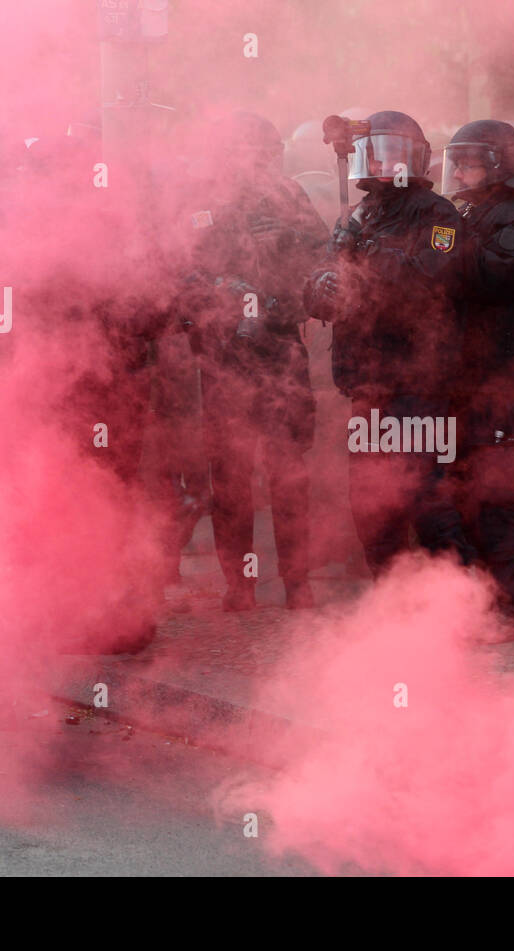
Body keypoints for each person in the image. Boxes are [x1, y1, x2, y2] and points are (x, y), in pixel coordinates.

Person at [304, 110, 472, 578]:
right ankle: (392, 605)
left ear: (417, 158)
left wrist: (371, 259)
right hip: (367, 385)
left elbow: (432, 275)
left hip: (418, 383)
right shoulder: (359, 213)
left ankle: (457, 602)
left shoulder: (439, 213)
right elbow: (326, 276)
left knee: (425, 496)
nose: (384, 166)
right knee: (372, 503)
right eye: (375, 155)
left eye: (395, 155)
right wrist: (322, 287)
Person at [186, 112, 325, 611]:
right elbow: (182, 273)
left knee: (290, 474)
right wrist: (223, 286)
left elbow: (325, 260)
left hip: (282, 346)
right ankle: (239, 588)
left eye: (266, 156)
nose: (259, 166)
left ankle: (298, 583)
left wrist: (287, 236)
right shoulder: (200, 201)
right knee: (230, 478)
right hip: (225, 356)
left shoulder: (290, 196)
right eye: (252, 155)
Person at [441, 119, 514, 639]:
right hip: (467, 377)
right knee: (468, 491)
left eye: (468, 162)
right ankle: (490, 602)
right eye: (455, 161)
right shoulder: (472, 214)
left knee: (499, 492)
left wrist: (441, 242)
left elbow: (492, 275)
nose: (458, 171)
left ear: (498, 164)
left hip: (501, 378)